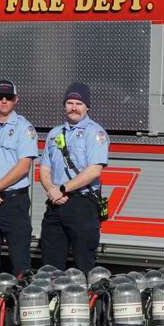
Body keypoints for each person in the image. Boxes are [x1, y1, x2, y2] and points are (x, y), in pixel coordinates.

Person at [38, 82, 109, 273]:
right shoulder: (54, 134)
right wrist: (52, 190)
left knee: (83, 264)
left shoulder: (95, 133)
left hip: (82, 205)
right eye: (70, 103)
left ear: (87, 107)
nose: (74, 107)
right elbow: (44, 170)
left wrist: (62, 189)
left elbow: (94, 170)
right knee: (50, 266)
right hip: (55, 204)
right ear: (64, 106)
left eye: (79, 103)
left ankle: (84, 302)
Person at [0, 80, 38, 276]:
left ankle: (21, 305)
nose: (4, 101)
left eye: (8, 97)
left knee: (20, 263)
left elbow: (23, 167)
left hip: (13, 202)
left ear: (15, 100)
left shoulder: (24, 128)